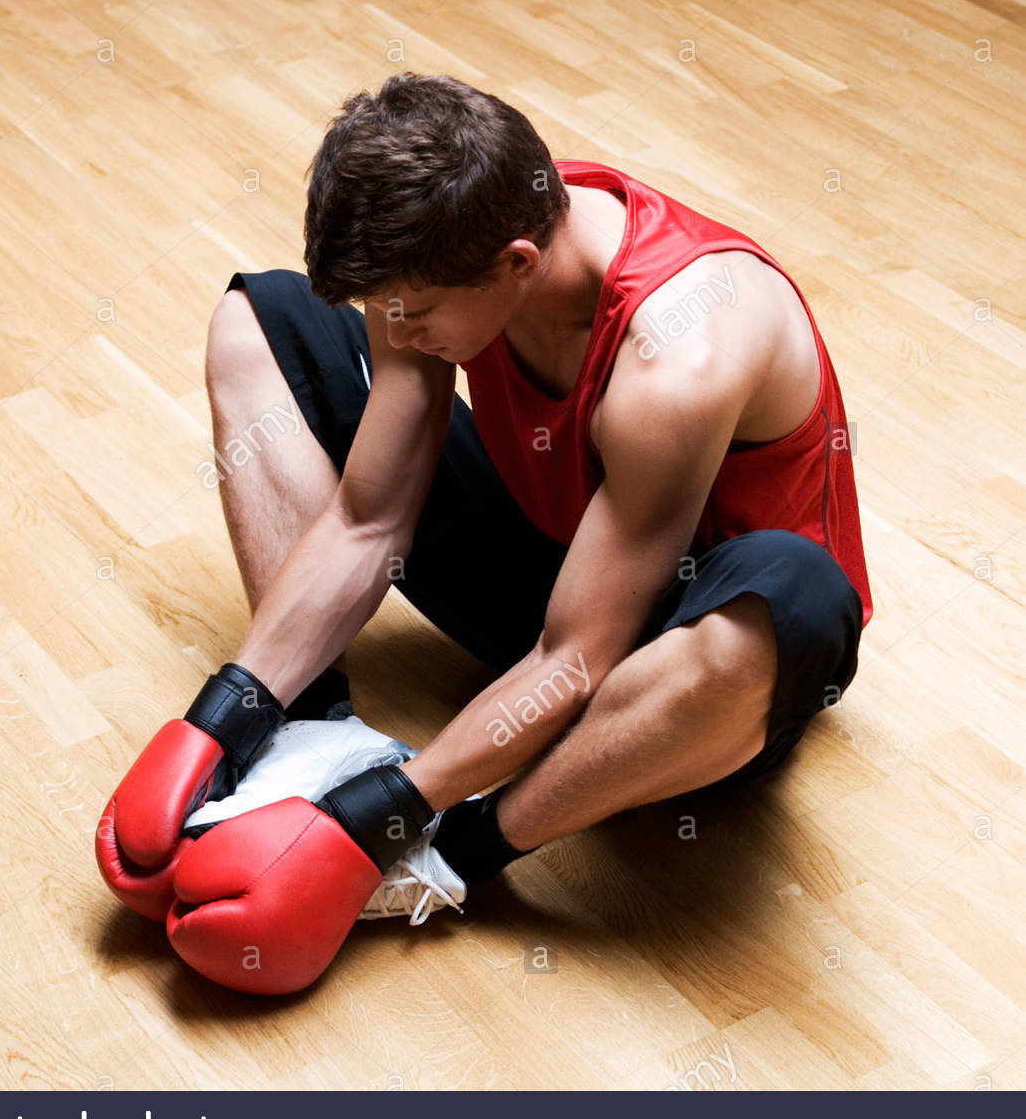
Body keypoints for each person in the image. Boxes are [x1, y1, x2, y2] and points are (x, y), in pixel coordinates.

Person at [96, 72, 871, 994]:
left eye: (415, 315)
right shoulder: (458, 235)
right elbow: (371, 516)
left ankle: (451, 854)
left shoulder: (681, 354)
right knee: (259, 318)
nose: (398, 329)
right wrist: (227, 714)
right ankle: (310, 736)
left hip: (678, 665)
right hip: (564, 571)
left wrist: (378, 824)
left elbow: (578, 657)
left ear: (517, 263)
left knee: (789, 595)